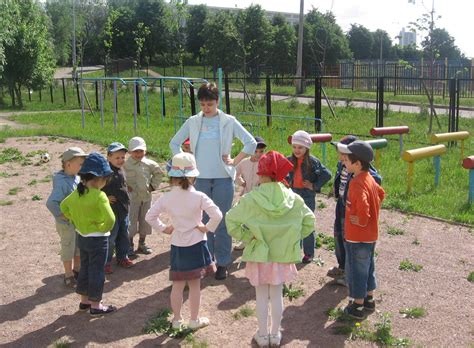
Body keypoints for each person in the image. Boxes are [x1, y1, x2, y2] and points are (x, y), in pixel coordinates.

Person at [226, 151, 315, 347]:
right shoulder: (294, 198)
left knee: (261, 296)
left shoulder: (251, 198)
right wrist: (291, 238)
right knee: (276, 295)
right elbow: (310, 221)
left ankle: (262, 334)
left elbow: (230, 220)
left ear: (261, 173)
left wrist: (248, 237)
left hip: (260, 253)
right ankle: (275, 335)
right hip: (282, 255)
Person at [169, 82, 257, 280]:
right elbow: (174, 143)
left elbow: (250, 142)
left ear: (217, 101)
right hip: (199, 178)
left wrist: (235, 160)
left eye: (210, 104)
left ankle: (223, 262)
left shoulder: (228, 121)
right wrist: (184, 163)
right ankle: (207, 261)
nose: (206, 108)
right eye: (202, 104)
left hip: (223, 178)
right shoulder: (193, 121)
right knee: (204, 221)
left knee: (222, 220)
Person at [145, 152, 222, 329]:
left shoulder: (167, 197)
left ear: (172, 176)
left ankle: (176, 320)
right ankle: (194, 320)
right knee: (195, 285)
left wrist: (165, 228)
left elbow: (150, 216)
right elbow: (217, 215)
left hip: (178, 245)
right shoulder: (199, 197)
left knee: (177, 285)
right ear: (193, 176)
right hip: (197, 243)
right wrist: (207, 228)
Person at [60, 152, 117, 315]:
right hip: (98, 240)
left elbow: (63, 207)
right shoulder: (100, 196)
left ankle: (84, 301)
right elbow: (111, 219)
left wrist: (74, 219)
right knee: (97, 270)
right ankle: (96, 305)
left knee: (84, 268)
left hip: (82, 238)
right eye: (105, 178)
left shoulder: (77, 193)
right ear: (98, 178)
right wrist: (102, 227)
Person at [336, 140, 385, 319]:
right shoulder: (370, 178)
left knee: (357, 270)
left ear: (357, 164)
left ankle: (357, 306)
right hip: (370, 235)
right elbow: (381, 193)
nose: (343, 162)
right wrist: (374, 211)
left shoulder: (356, 183)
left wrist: (362, 219)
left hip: (357, 237)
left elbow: (363, 206)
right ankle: (369, 299)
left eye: (347, 161)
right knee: (368, 266)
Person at [329, 135, 382, 286]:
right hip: (341, 204)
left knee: (350, 240)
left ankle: (350, 274)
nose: (340, 158)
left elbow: (376, 180)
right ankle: (343, 267)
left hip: (352, 208)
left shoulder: (360, 168)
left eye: (342, 154)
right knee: (339, 235)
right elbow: (341, 180)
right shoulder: (343, 165)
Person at [286, 130, 332, 263]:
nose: (297, 150)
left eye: (300, 147)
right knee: (293, 223)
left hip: (307, 196)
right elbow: (281, 173)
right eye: (294, 147)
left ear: (307, 148)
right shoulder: (289, 160)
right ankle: (294, 251)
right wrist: (286, 183)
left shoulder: (313, 161)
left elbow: (327, 174)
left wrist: (314, 185)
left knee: (307, 223)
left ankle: (309, 253)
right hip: (292, 194)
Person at [46, 147, 88, 288]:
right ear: (69, 164)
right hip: (66, 223)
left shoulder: (76, 177)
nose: (83, 166)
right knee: (68, 247)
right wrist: (62, 215)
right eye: (80, 163)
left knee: (78, 246)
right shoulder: (62, 182)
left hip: (76, 221)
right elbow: (51, 202)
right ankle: (68, 274)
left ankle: (77, 269)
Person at [124, 136, 163, 257]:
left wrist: (152, 186)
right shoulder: (125, 165)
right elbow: (119, 177)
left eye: (141, 151)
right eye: (135, 151)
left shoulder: (150, 163)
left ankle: (142, 243)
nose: (138, 154)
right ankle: (129, 245)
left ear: (145, 151)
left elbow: (158, 173)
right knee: (131, 222)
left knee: (145, 220)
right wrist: (125, 187)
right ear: (130, 151)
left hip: (146, 198)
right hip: (132, 199)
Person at [102, 142, 134, 274]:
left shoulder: (121, 169)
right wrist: (105, 197)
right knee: (110, 238)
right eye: (117, 158)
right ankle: (106, 262)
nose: (120, 160)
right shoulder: (105, 172)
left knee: (124, 235)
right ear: (108, 157)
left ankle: (122, 257)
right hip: (111, 211)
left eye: (122, 157)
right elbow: (96, 188)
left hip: (123, 209)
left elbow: (122, 184)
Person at [233, 136, 267, 251]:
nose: (258, 154)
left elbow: (270, 177)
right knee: (246, 218)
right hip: (247, 195)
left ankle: (259, 241)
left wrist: (263, 184)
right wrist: (241, 182)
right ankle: (245, 240)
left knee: (258, 219)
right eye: (255, 151)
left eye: (261, 151)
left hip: (260, 196)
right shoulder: (244, 162)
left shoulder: (265, 162)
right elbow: (234, 173)